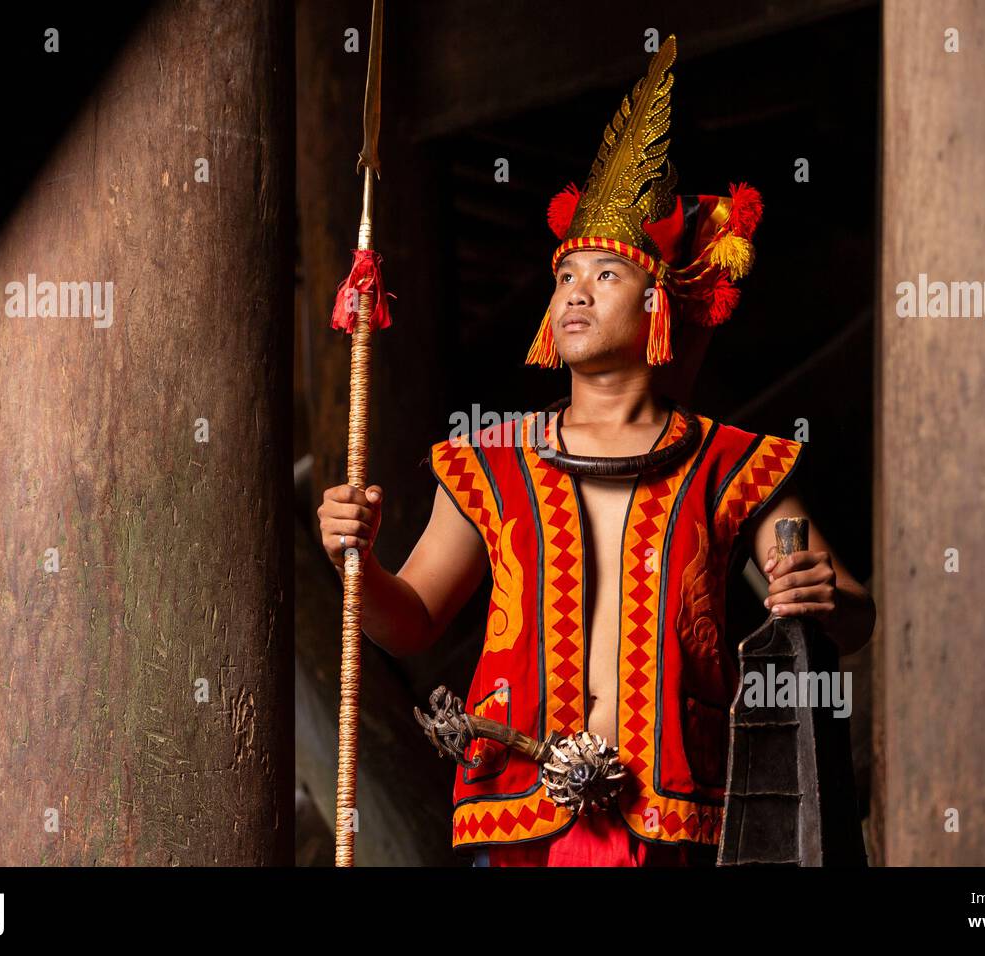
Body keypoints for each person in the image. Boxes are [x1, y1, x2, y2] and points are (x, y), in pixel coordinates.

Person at [317, 35, 875, 867]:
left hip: (686, 827)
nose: (575, 290)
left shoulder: (734, 462)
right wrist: (351, 561)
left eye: (605, 274)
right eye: (565, 273)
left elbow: (855, 618)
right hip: (519, 826)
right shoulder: (488, 463)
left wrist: (825, 594)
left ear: (659, 298)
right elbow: (411, 622)